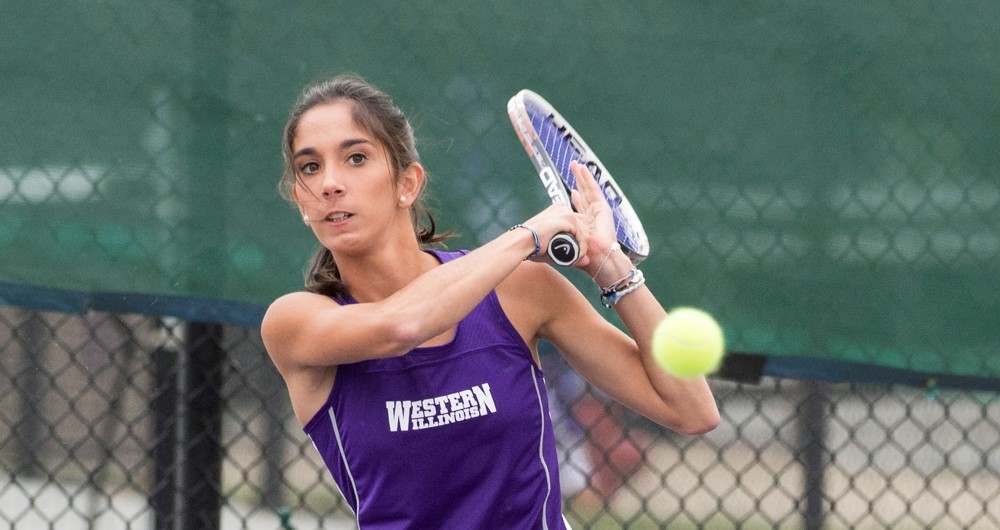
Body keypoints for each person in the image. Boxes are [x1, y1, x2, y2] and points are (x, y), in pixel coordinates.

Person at [261, 74, 720, 529]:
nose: (330, 183)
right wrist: (528, 235)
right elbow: (401, 326)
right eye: (310, 167)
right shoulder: (295, 323)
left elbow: (691, 410)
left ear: (408, 183)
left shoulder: (522, 290)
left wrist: (610, 263)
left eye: (356, 158)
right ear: (301, 200)